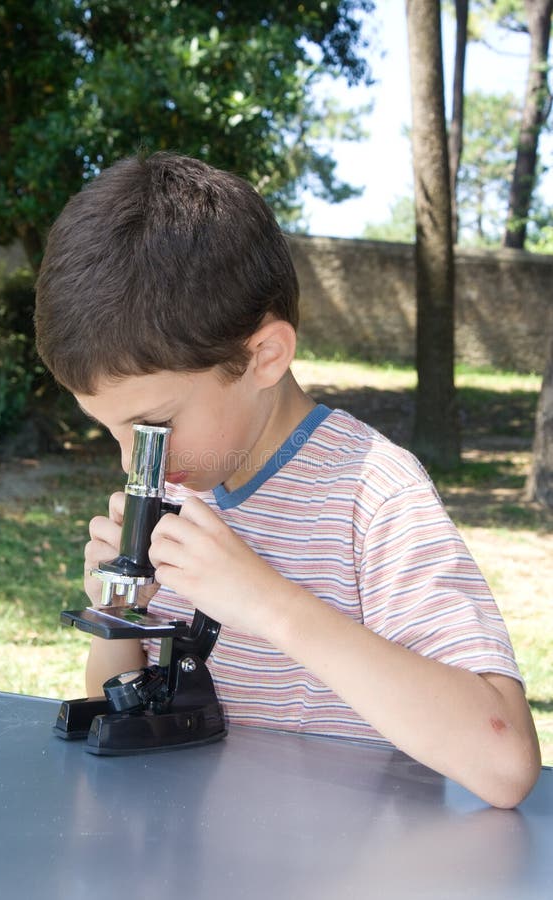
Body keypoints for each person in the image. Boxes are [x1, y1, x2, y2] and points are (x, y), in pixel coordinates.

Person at [35, 151, 540, 808]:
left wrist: (269, 604)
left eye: (153, 426)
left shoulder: (373, 495)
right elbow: (122, 714)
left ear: (265, 356)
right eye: (111, 430)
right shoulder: (178, 490)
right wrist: (119, 613)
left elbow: (504, 762)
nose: (133, 462)